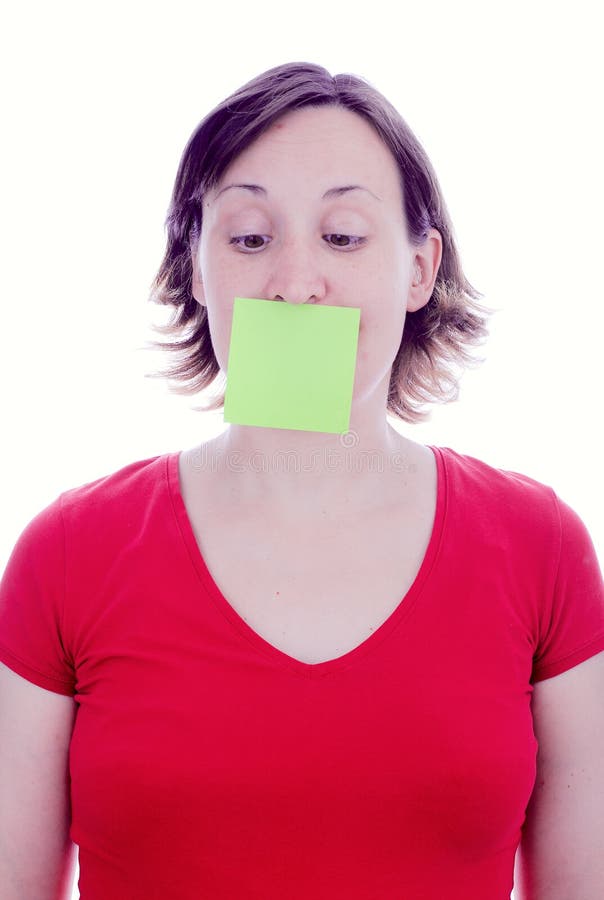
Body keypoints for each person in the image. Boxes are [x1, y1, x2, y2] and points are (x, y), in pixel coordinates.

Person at [0, 62, 602, 900]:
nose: (294, 282)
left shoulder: (544, 551)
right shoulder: (66, 554)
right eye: (250, 238)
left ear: (420, 269)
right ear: (198, 269)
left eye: (344, 236)